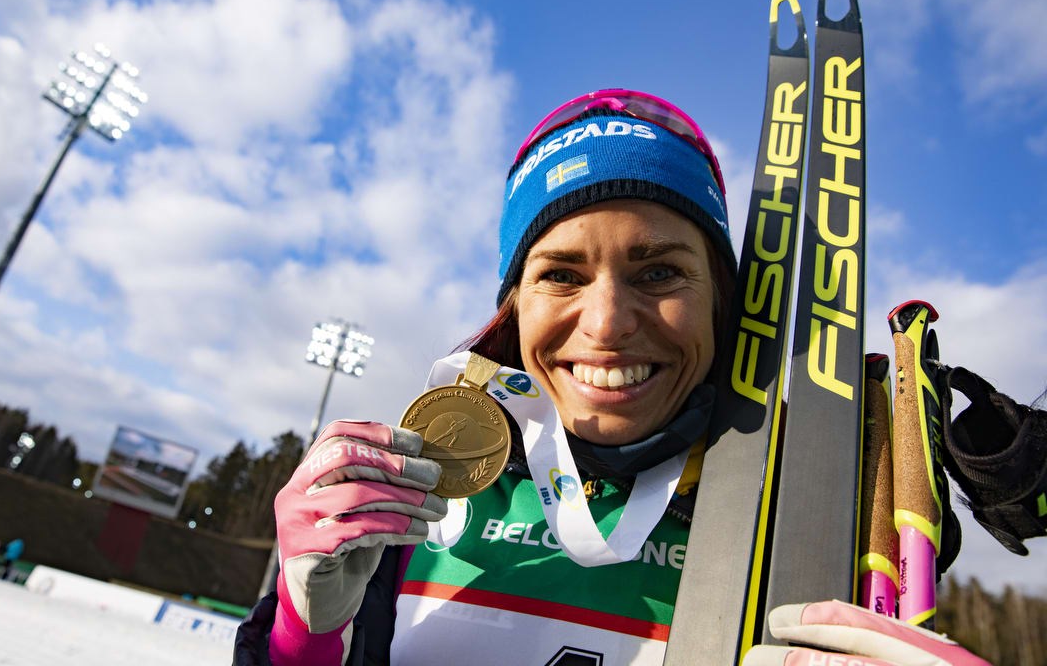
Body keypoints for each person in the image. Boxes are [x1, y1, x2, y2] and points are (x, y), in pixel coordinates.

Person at [233, 90, 990, 666]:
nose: (605, 323)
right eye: (561, 275)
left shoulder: (805, 525)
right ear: (514, 306)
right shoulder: (421, 505)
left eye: (658, 272)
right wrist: (304, 637)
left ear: (722, 303)